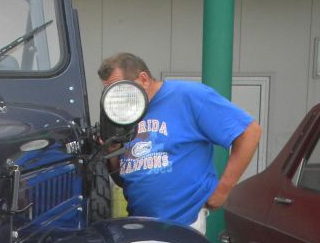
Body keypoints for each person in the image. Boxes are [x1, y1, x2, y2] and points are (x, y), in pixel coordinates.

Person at [97, 52, 262, 233]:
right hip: (141, 223)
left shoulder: (189, 96)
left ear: (143, 79)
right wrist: (112, 151)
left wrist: (223, 190)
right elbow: (125, 177)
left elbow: (250, 132)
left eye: (120, 89)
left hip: (184, 223)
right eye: (109, 92)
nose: (115, 98)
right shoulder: (123, 115)